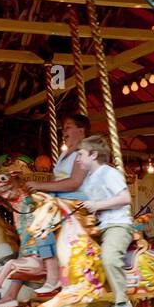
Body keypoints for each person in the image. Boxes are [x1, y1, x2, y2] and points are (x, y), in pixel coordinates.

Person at [75, 134, 139, 307]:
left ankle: (122, 303)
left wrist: (97, 205)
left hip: (117, 226)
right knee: (80, 269)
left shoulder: (107, 173)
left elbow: (125, 198)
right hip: (99, 229)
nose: (77, 158)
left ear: (93, 155)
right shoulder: (87, 181)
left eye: (81, 154)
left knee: (109, 258)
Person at [26, 113, 93, 295]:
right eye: (64, 128)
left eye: (68, 127)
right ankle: (42, 263)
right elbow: (57, 181)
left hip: (77, 199)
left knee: (44, 222)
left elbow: (75, 181)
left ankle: (53, 275)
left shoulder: (83, 152)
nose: (64, 131)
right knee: (36, 217)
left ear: (81, 130)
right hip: (60, 199)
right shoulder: (64, 154)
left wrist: (41, 186)